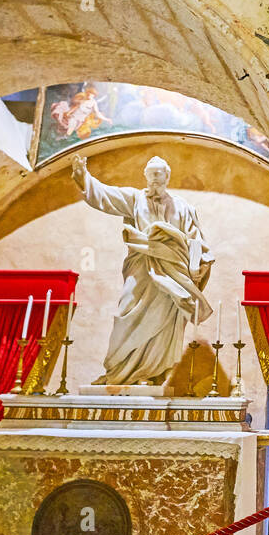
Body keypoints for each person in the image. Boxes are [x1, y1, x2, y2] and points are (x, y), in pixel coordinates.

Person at [71, 154, 214, 385]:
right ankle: (117, 372)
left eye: (159, 174)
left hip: (172, 272)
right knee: (126, 312)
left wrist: (198, 264)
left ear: (167, 176)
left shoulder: (183, 207)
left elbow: (196, 240)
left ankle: (149, 374)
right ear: (145, 177)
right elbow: (106, 196)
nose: (155, 179)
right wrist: (84, 178)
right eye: (151, 175)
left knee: (161, 323)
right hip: (141, 268)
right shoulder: (135, 199)